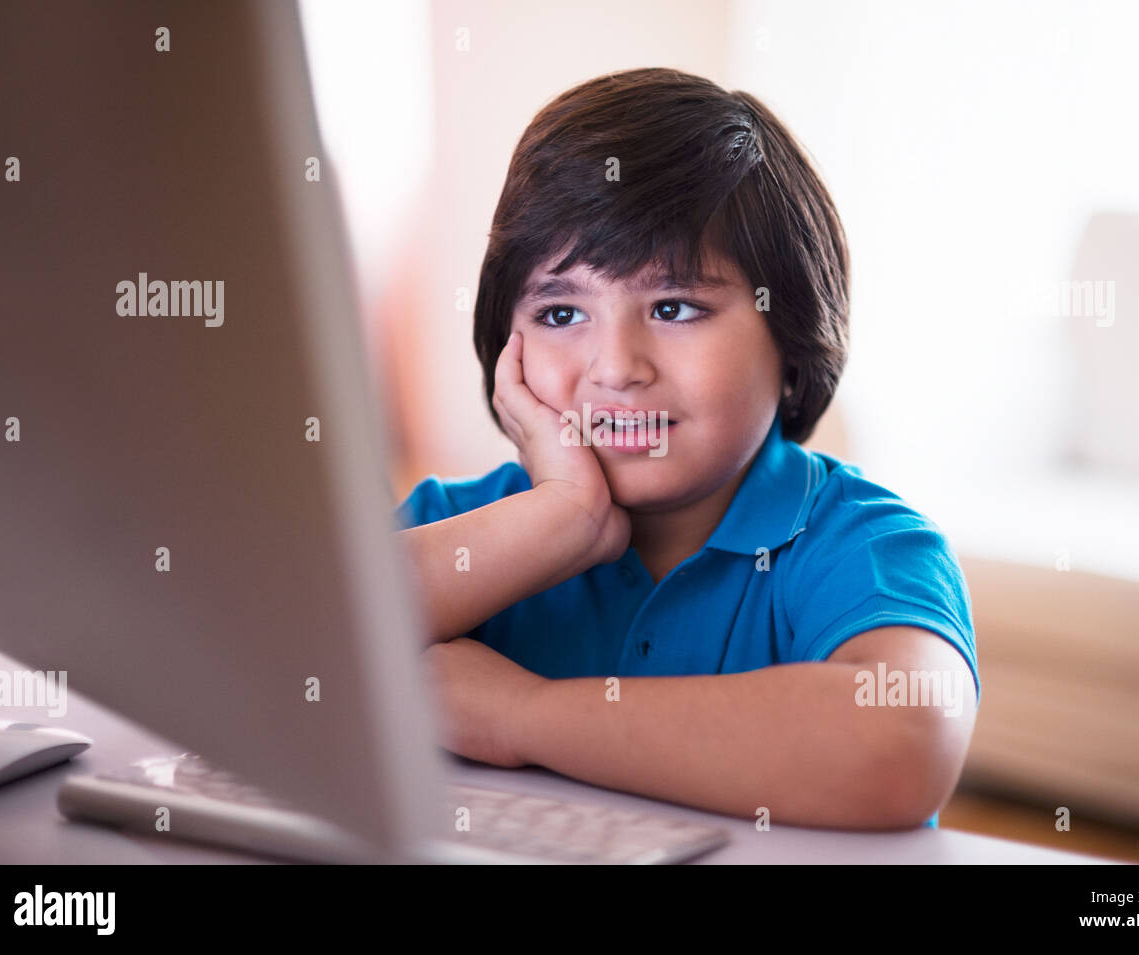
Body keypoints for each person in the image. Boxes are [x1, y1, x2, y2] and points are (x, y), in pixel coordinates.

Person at [396, 67, 979, 829]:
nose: (615, 368)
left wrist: (519, 713)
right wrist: (561, 518)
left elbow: (901, 739)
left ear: (789, 332)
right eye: (563, 310)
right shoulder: (465, 527)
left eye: (674, 306)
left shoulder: (859, 542)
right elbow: (287, 654)